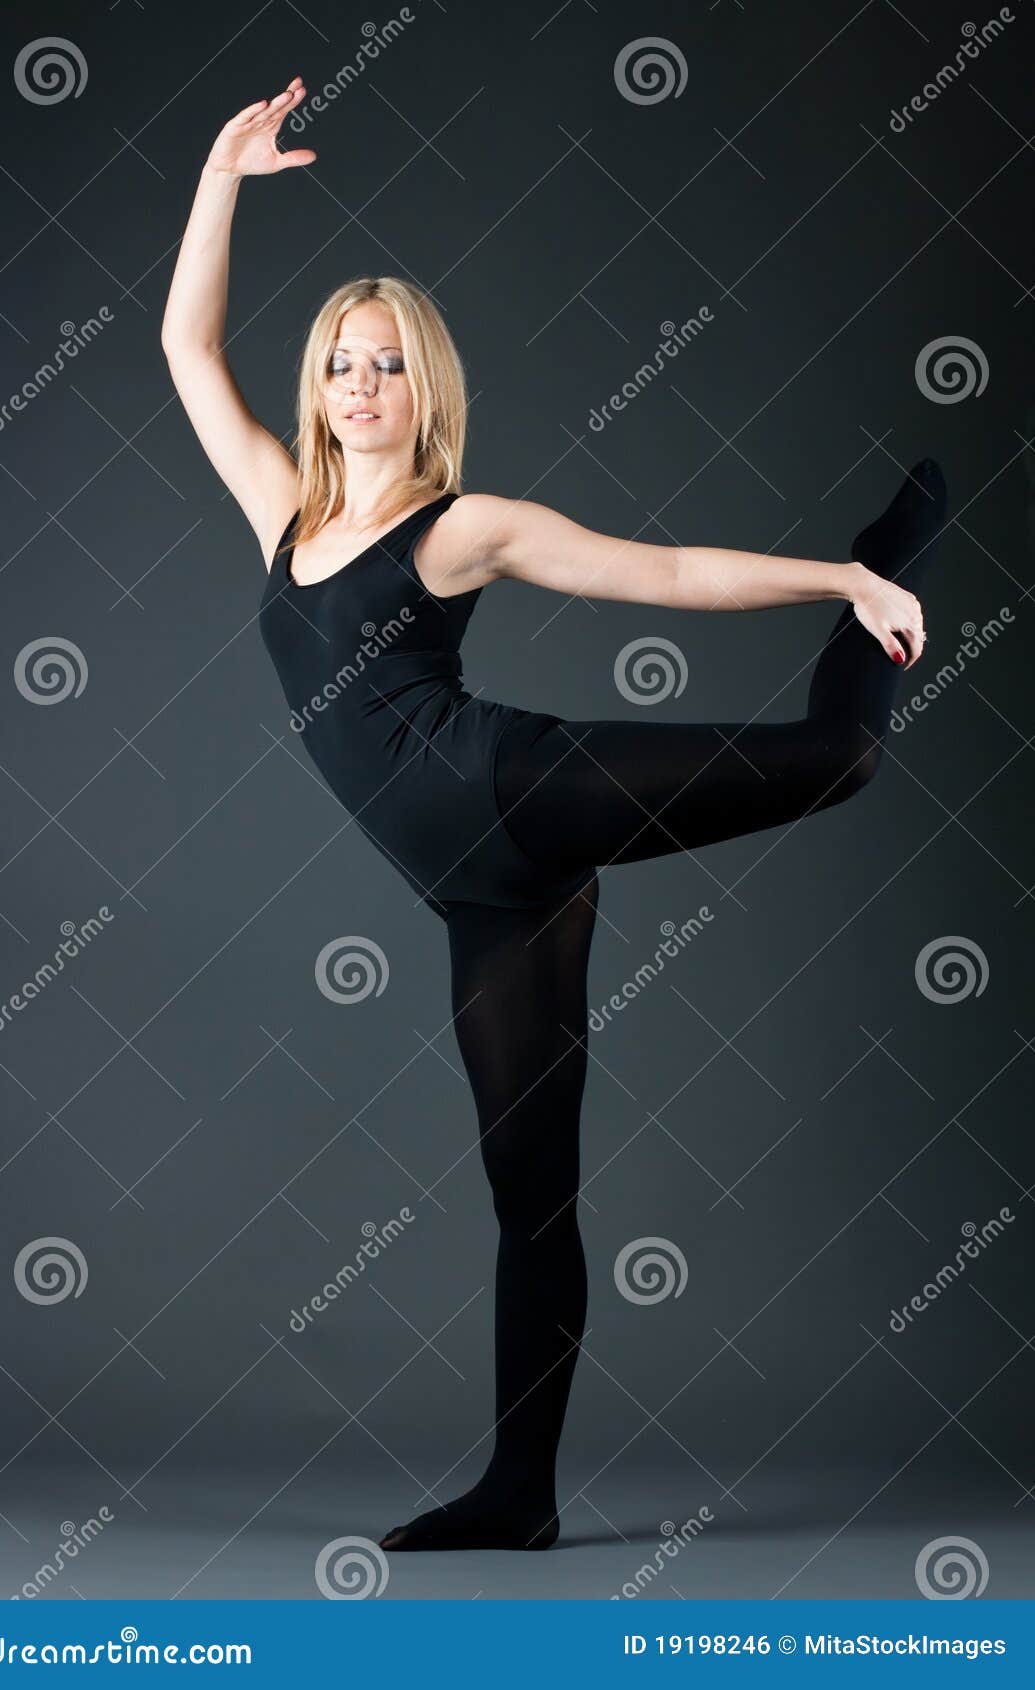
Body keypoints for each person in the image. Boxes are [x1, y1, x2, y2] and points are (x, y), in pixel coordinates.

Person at [162, 79, 943, 1552]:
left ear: (422, 389)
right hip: (482, 898)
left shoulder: (456, 526)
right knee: (530, 1195)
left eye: (386, 365)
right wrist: (221, 174)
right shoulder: (279, 508)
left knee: (837, 757)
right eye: (341, 361)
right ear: (319, 381)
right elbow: (187, 348)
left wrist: (837, 585)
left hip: (518, 786)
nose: (359, 385)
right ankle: (521, 1494)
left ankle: (884, 560)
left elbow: (660, 574)